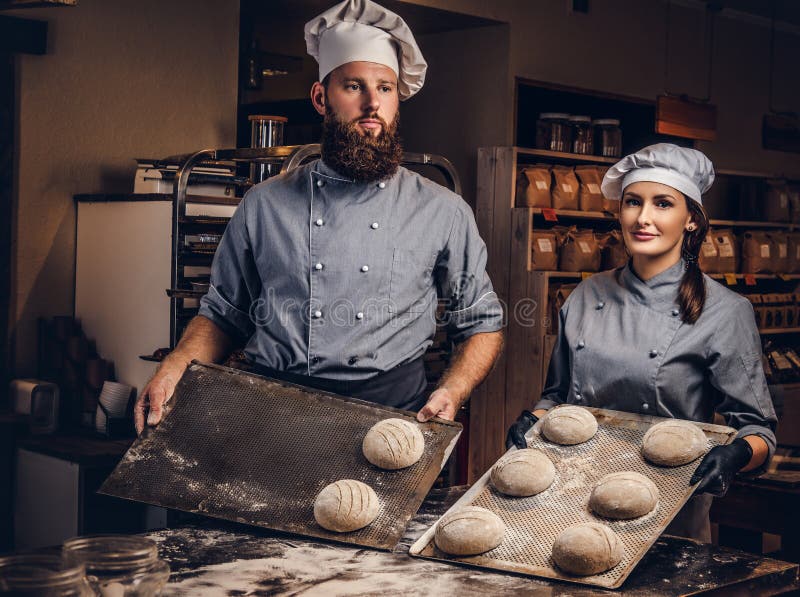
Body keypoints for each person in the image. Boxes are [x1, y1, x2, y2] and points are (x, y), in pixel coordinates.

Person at [134, 0, 504, 434]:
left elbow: (482, 324)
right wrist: (175, 365)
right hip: (272, 415)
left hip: (390, 420)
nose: (372, 104)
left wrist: (453, 390)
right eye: (353, 86)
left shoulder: (442, 211)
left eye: (386, 88)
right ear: (320, 97)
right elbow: (223, 314)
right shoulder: (264, 205)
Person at [506, 143, 777, 542]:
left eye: (663, 204)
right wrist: (534, 420)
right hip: (569, 497)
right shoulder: (583, 296)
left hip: (665, 511)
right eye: (633, 202)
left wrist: (736, 455)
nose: (643, 218)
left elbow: (758, 429)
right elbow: (557, 397)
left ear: (691, 221)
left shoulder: (723, 311)